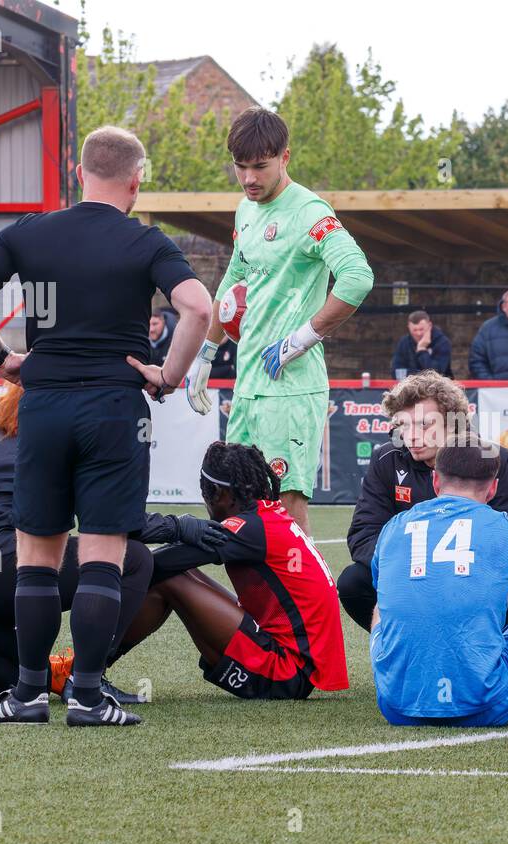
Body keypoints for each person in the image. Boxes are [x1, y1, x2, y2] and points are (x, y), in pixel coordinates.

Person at [0, 124, 211, 727]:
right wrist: (167, 376)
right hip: (115, 410)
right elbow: (198, 306)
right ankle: (88, 697)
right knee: (102, 555)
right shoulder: (145, 243)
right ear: (135, 181)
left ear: (79, 173)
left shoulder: (30, 232)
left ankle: (28, 694)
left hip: (43, 404)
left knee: (37, 556)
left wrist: (5, 361)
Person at [0, 383, 202, 706]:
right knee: (133, 559)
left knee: (29, 678)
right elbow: (113, 520)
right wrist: (179, 526)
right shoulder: (60, 434)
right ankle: (87, 677)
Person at [185, 107, 374, 538]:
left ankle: (305, 608)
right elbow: (233, 280)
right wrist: (208, 352)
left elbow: (358, 278)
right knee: (232, 502)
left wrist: (303, 338)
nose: (249, 178)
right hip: (248, 382)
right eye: (240, 167)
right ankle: (251, 606)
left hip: (291, 387)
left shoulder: (310, 211)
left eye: (260, 166)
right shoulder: (245, 211)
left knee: (285, 512)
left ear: (285, 157)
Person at [369, 440, 508, 727]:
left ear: (435, 481)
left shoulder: (392, 528)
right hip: (485, 704)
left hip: (395, 706)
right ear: (493, 488)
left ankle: (407, 682)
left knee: (381, 604)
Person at [125, 441, 348, 700]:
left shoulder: (248, 528)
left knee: (169, 577)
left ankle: (90, 670)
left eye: (206, 493)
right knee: (178, 574)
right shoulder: (266, 516)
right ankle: (89, 670)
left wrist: (99, 577)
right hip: (294, 664)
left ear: (219, 494)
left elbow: (160, 564)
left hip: (287, 673)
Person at [339, 370, 508, 631]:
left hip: (476, 574)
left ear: (452, 422)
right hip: (412, 574)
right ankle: (404, 646)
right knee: (353, 581)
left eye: (424, 424)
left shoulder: (495, 459)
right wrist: (421, 563)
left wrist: (454, 566)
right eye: (403, 425)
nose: (411, 435)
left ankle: (503, 642)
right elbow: (364, 534)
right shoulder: (387, 459)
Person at [391, 310, 452, 377]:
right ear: (408, 327)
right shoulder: (404, 342)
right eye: (415, 330)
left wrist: (421, 350)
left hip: (440, 386)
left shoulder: (442, 342)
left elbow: (438, 373)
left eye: (421, 329)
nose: (418, 333)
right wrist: (420, 375)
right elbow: (396, 372)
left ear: (430, 325)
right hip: (410, 385)